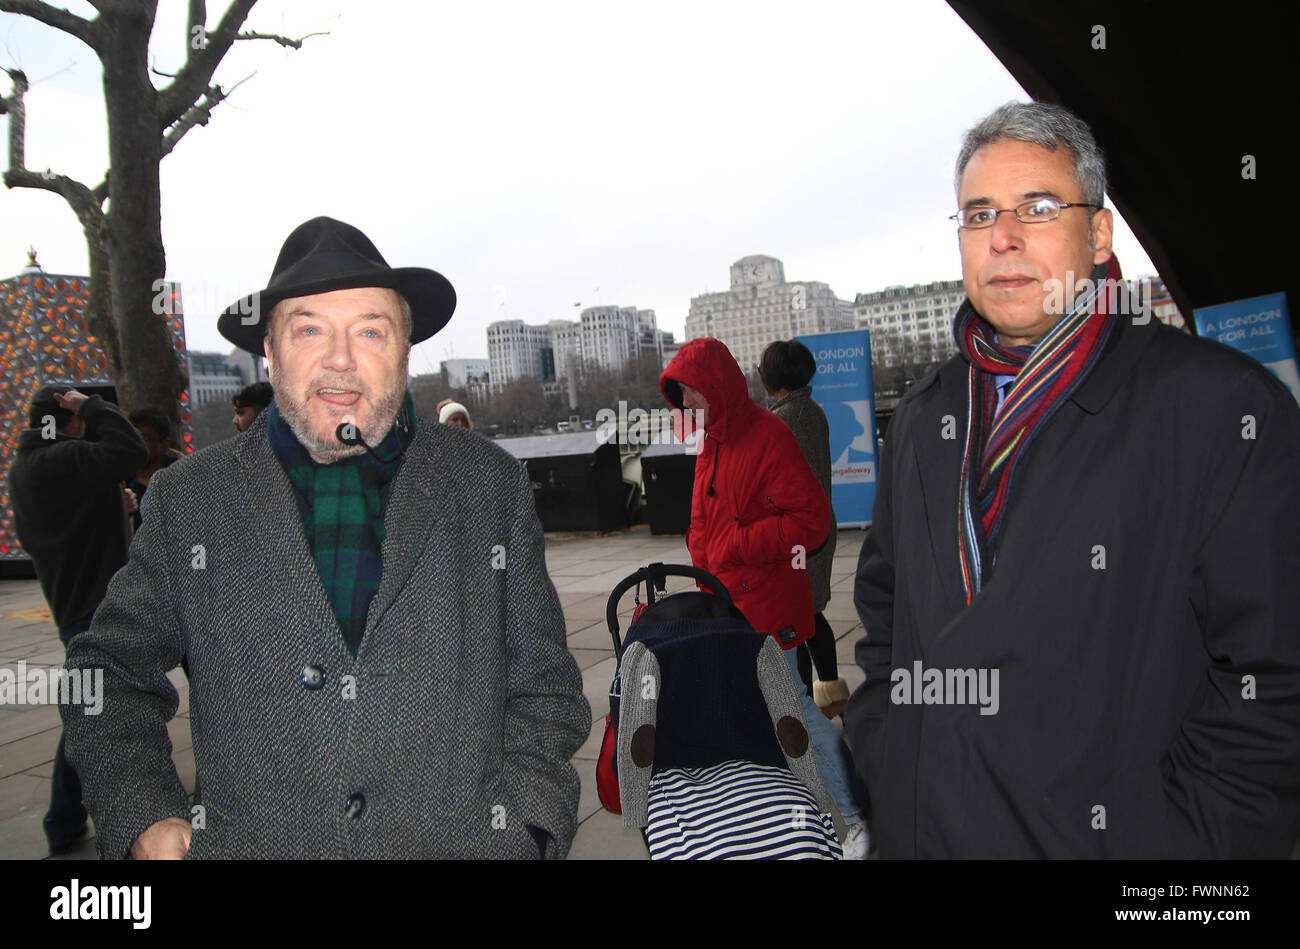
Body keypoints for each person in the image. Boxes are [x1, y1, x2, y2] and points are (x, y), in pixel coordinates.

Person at [847, 101, 1300, 858]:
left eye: (1039, 206)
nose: (1004, 236)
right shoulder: (927, 419)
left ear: (1098, 234)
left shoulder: (1220, 408)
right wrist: (891, 760)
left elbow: (1273, 680)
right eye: (979, 212)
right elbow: (887, 619)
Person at [62, 216, 590, 859]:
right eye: (309, 329)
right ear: (271, 349)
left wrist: (524, 833)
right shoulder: (190, 501)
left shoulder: (487, 485)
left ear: (403, 350)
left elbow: (544, 688)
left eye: (370, 330)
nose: (340, 358)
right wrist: (143, 813)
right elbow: (107, 673)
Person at [660, 337, 871, 859]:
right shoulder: (714, 438)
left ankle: (856, 816)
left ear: (713, 387)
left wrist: (735, 546)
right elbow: (704, 516)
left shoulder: (766, 435)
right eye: (679, 394)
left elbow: (812, 521)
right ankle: (800, 812)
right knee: (767, 709)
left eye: (688, 392)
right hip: (730, 600)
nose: (684, 404)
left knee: (793, 706)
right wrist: (703, 564)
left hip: (767, 600)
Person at [7, 386, 148, 853]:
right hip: (95, 605)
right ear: (68, 422)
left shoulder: (27, 466)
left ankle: (69, 819)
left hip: (73, 600)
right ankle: (66, 819)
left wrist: (112, 508)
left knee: (95, 710)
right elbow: (130, 449)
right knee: (92, 715)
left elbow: (67, 517)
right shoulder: (64, 457)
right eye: (80, 421)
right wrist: (90, 405)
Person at [759, 339, 850, 720]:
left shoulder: (781, 420)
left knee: (794, 623)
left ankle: (806, 715)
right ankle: (830, 697)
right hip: (818, 531)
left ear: (771, 377)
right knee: (811, 615)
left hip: (796, 537)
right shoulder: (811, 411)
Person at [126, 407, 185, 528]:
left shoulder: (183, 478)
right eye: (132, 437)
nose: (136, 444)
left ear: (164, 443)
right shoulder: (122, 481)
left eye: (145, 439)